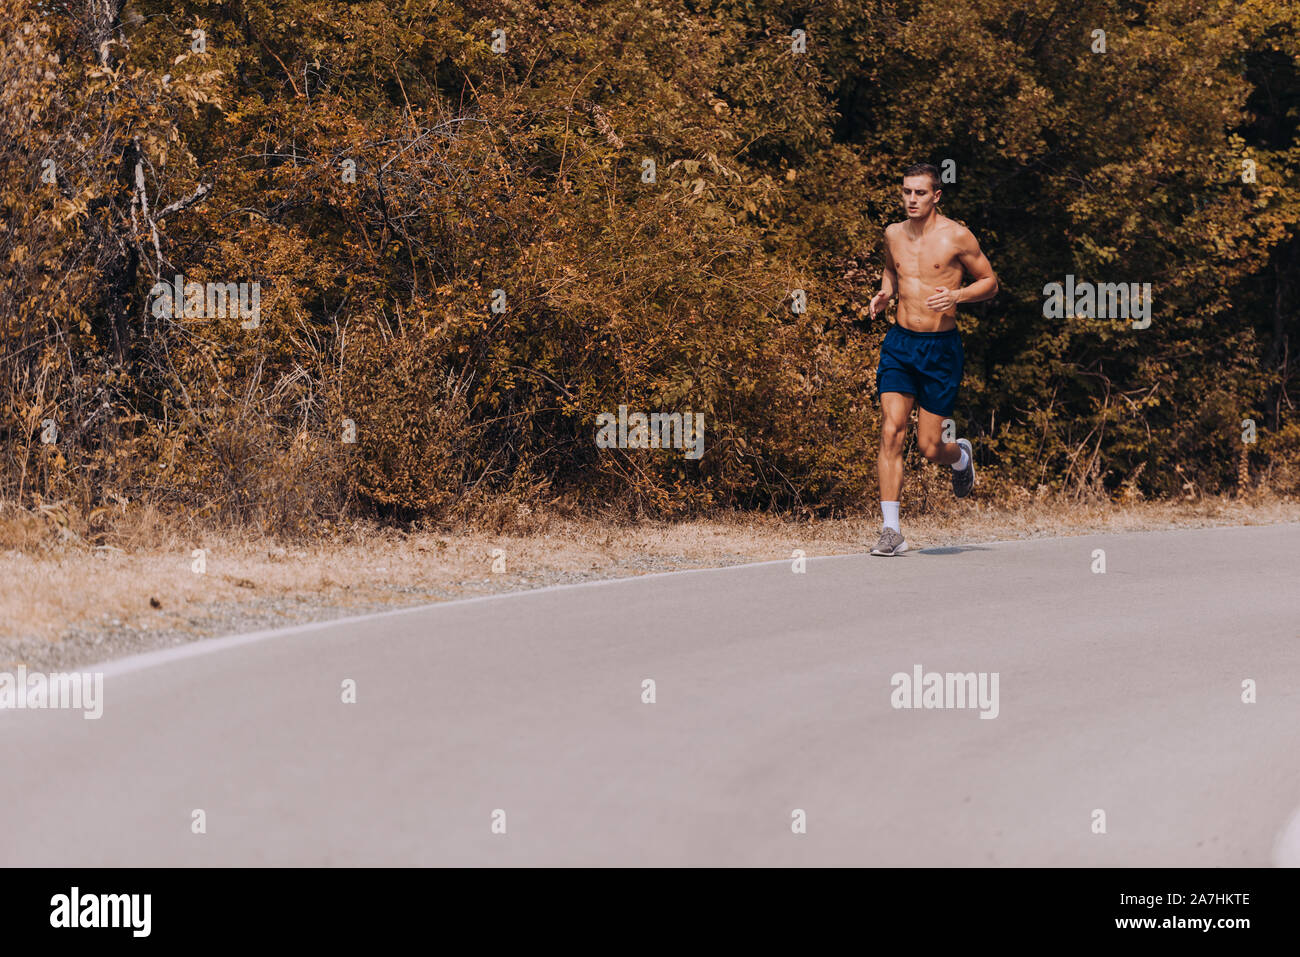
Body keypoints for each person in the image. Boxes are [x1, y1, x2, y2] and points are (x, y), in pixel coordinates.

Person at [868, 163, 998, 556]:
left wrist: (957, 296)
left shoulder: (957, 236)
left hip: (940, 350)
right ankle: (892, 531)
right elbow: (892, 272)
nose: (911, 199)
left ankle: (959, 456)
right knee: (891, 429)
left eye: (920, 193)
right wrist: (885, 293)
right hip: (900, 345)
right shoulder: (892, 234)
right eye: (906, 191)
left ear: (936, 196)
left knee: (929, 447)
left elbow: (990, 282)